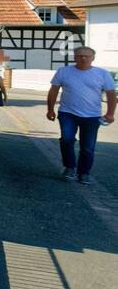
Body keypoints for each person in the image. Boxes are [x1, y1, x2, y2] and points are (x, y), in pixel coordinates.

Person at [47, 45, 116, 186]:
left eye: (87, 56)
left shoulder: (102, 73)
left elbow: (111, 94)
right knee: (66, 140)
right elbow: (53, 90)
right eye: (79, 55)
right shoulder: (64, 71)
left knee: (88, 146)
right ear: (74, 57)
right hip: (67, 113)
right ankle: (70, 167)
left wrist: (110, 113)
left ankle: (84, 173)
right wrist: (50, 109)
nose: (83, 58)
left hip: (92, 116)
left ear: (93, 58)